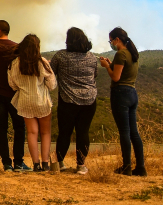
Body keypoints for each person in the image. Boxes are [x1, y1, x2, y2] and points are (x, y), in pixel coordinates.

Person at [0, 20, 29, 172]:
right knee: (19, 127)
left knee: (1, 127)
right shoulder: (16, 48)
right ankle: (19, 162)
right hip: (15, 94)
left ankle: (6, 163)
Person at [50, 27, 98, 175]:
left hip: (67, 100)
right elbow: (94, 76)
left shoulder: (61, 56)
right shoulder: (92, 57)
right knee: (83, 133)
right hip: (89, 100)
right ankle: (81, 165)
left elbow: (51, 74)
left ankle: (60, 162)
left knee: (65, 133)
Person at [8, 34, 57, 172]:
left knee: (31, 132)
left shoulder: (14, 64)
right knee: (45, 133)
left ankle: (36, 164)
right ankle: (45, 163)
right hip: (41, 101)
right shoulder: (42, 62)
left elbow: (12, 85)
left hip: (25, 102)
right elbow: (52, 84)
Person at [100, 27, 145, 176]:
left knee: (124, 132)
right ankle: (140, 167)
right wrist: (111, 64)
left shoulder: (121, 54)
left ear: (117, 39)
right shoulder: (132, 53)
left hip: (120, 94)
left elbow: (116, 77)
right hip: (132, 93)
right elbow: (123, 71)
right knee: (134, 133)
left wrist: (107, 67)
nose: (111, 43)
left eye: (111, 40)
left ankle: (126, 167)